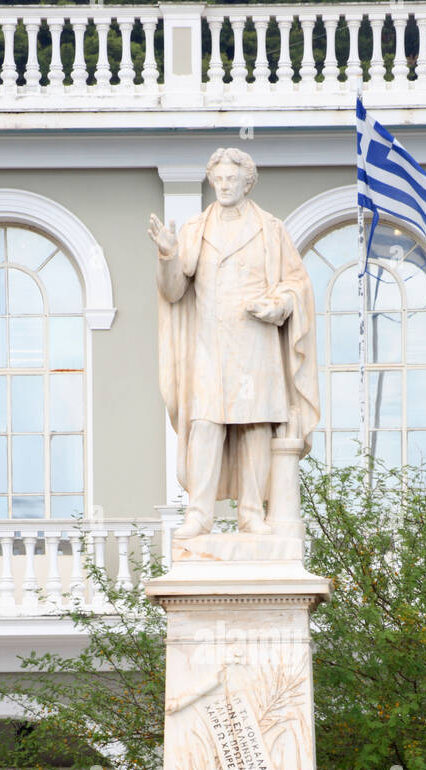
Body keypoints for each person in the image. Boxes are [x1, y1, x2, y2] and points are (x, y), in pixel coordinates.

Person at [149, 148, 319, 539]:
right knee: (206, 423)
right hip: (209, 345)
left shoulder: (271, 229)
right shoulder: (195, 229)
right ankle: (199, 513)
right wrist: (168, 253)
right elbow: (174, 291)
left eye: (231, 180)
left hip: (256, 341)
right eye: (218, 180)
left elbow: (297, 284)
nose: (224, 187)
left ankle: (251, 513)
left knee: (256, 426)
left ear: (248, 183)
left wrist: (280, 303)